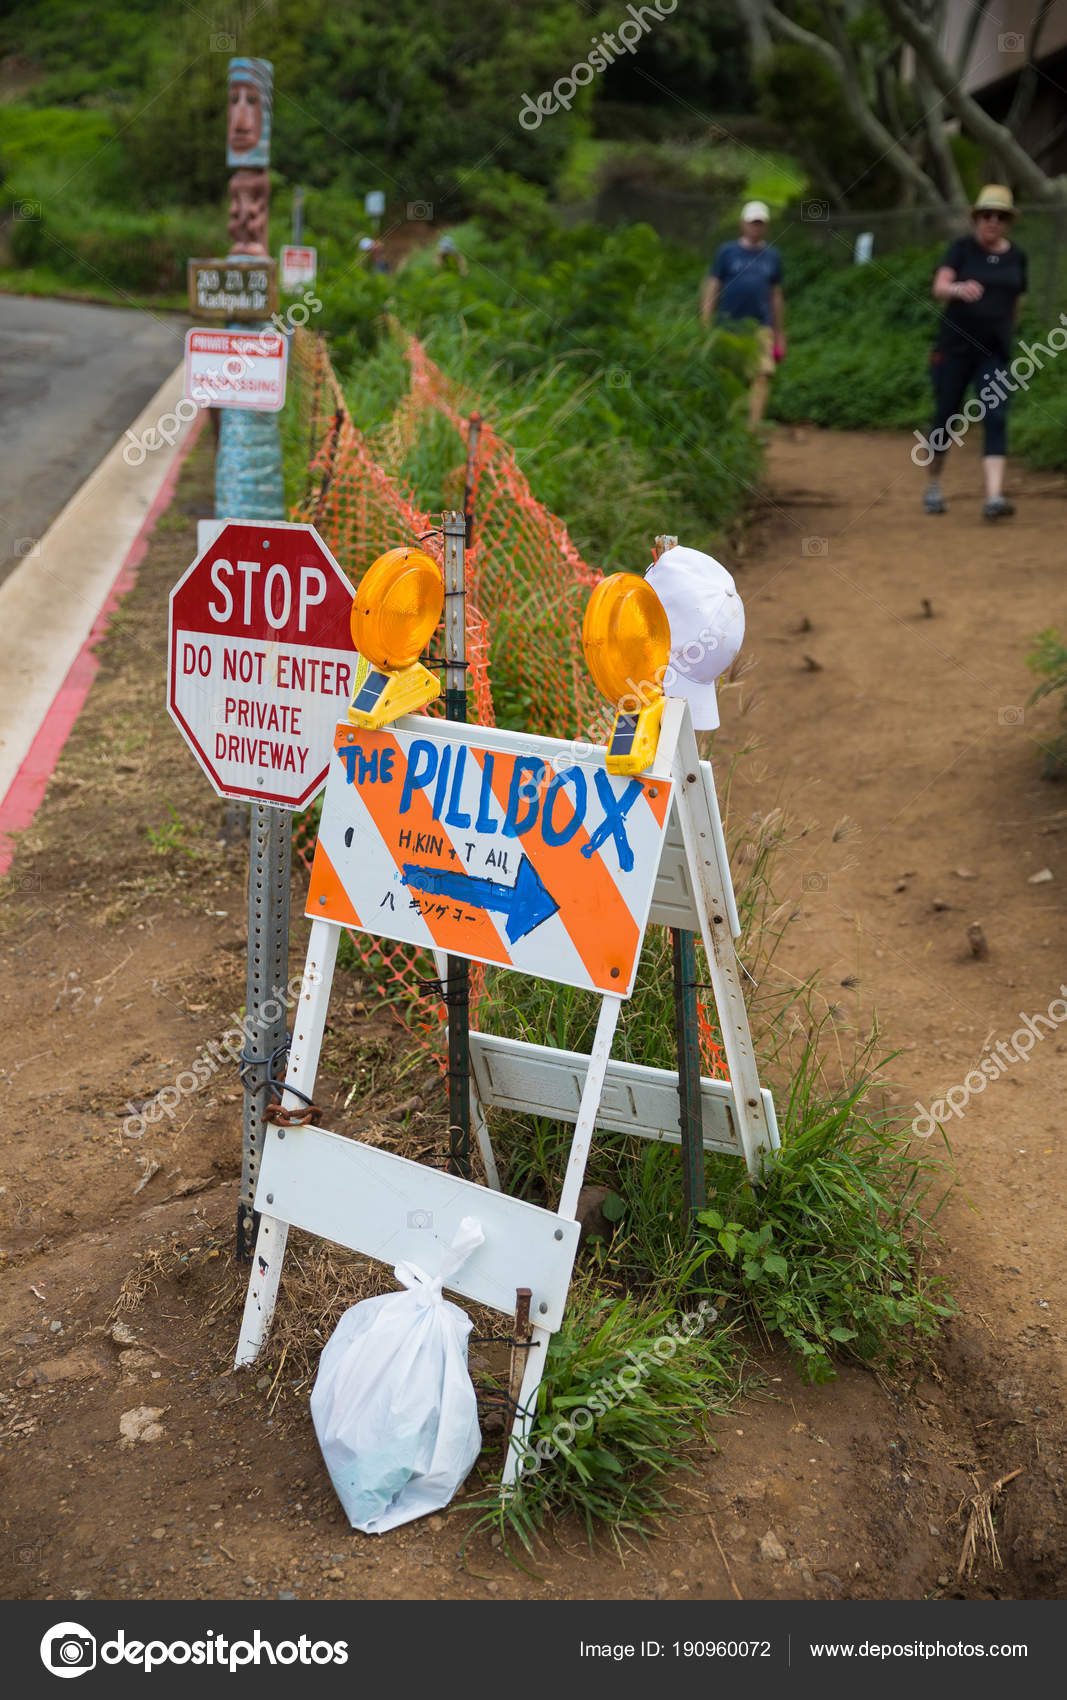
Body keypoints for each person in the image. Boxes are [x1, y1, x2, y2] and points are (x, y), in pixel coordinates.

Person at [923, 185, 1027, 521]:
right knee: (946, 416)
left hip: (993, 352)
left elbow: (1015, 303)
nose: (992, 221)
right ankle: (934, 486)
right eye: (986, 215)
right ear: (976, 219)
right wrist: (958, 288)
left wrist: (1009, 335)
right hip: (954, 349)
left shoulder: (1017, 257)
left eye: (1000, 216)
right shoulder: (960, 250)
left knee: (995, 416)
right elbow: (939, 287)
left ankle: (994, 497)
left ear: (1008, 221)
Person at [701, 200, 785, 428]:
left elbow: (775, 295)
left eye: (760, 223)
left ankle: (752, 427)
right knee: (728, 376)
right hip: (728, 325)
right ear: (743, 224)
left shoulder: (772, 256)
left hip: (760, 326)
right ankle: (728, 426)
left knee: (762, 375)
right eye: (752, 223)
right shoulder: (727, 252)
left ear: (766, 226)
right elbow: (712, 286)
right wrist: (706, 320)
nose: (755, 228)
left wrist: (779, 333)